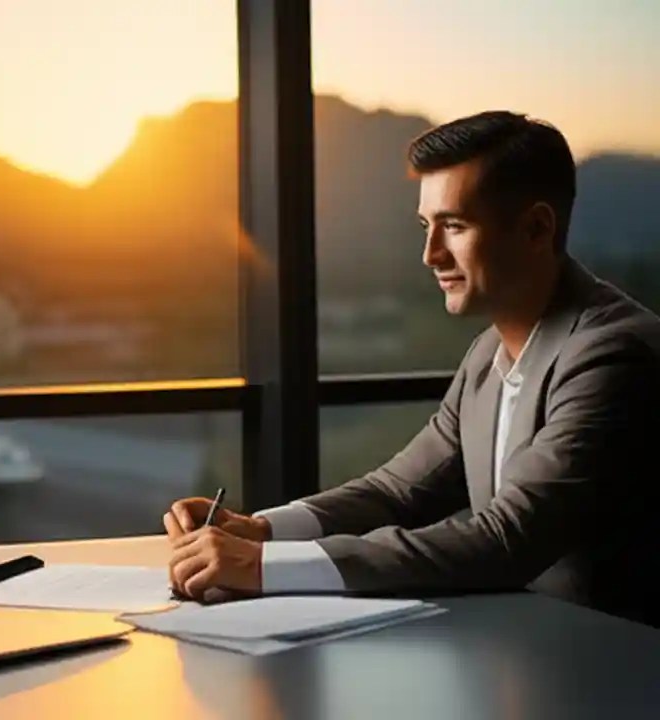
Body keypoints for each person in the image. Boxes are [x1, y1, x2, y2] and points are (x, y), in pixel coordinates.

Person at [164, 111, 660, 627]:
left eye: (455, 226)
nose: (430, 254)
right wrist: (258, 530)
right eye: (427, 226)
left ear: (537, 229)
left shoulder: (612, 355)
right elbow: (398, 493)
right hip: (529, 655)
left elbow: (507, 540)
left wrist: (266, 567)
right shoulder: (487, 355)